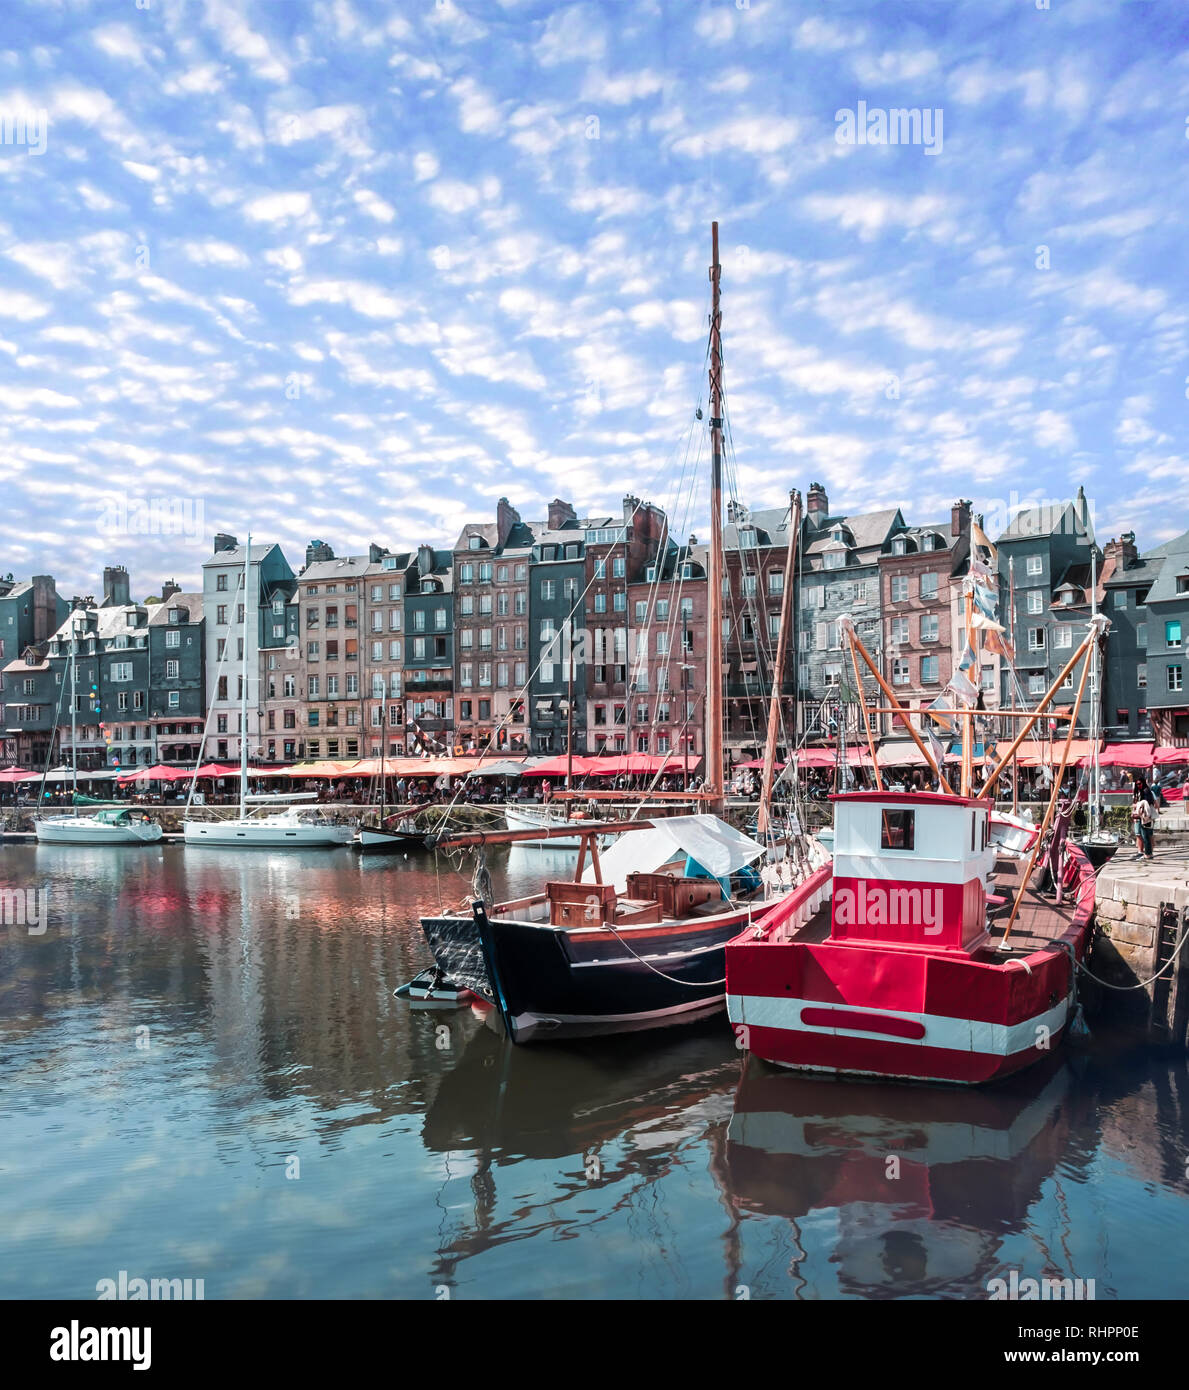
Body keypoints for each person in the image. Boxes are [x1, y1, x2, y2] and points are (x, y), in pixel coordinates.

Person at [1131, 776, 1155, 862]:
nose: (1138, 785)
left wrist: (1136, 805)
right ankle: (1147, 853)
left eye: (1139, 784)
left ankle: (1148, 854)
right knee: (1144, 835)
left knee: (1146, 836)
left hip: (1146, 817)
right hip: (1143, 817)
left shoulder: (1146, 791)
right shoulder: (1142, 791)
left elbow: (1147, 803)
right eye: (1137, 784)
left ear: (1143, 783)